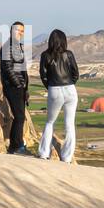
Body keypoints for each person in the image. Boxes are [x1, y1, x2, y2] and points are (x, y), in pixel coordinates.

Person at [37, 28, 79, 161]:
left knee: (50, 122)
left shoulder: (45, 55)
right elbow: (76, 73)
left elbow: (43, 75)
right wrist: (70, 83)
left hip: (54, 89)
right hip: (70, 89)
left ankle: (44, 153)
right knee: (69, 125)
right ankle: (67, 157)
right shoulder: (69, 54)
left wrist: (49, 87)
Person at [0, 21, 30, 155]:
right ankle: (17, 146)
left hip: (19, 86)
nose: (21, 33)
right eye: (18, 30)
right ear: (12, 31)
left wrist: (25, 86)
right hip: (13, 87)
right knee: (19, 116)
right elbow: (7, 67)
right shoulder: (8, 46)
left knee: (19, 116)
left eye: (22, 31)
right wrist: (18, 84)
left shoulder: (16, 46)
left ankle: (15, 145)